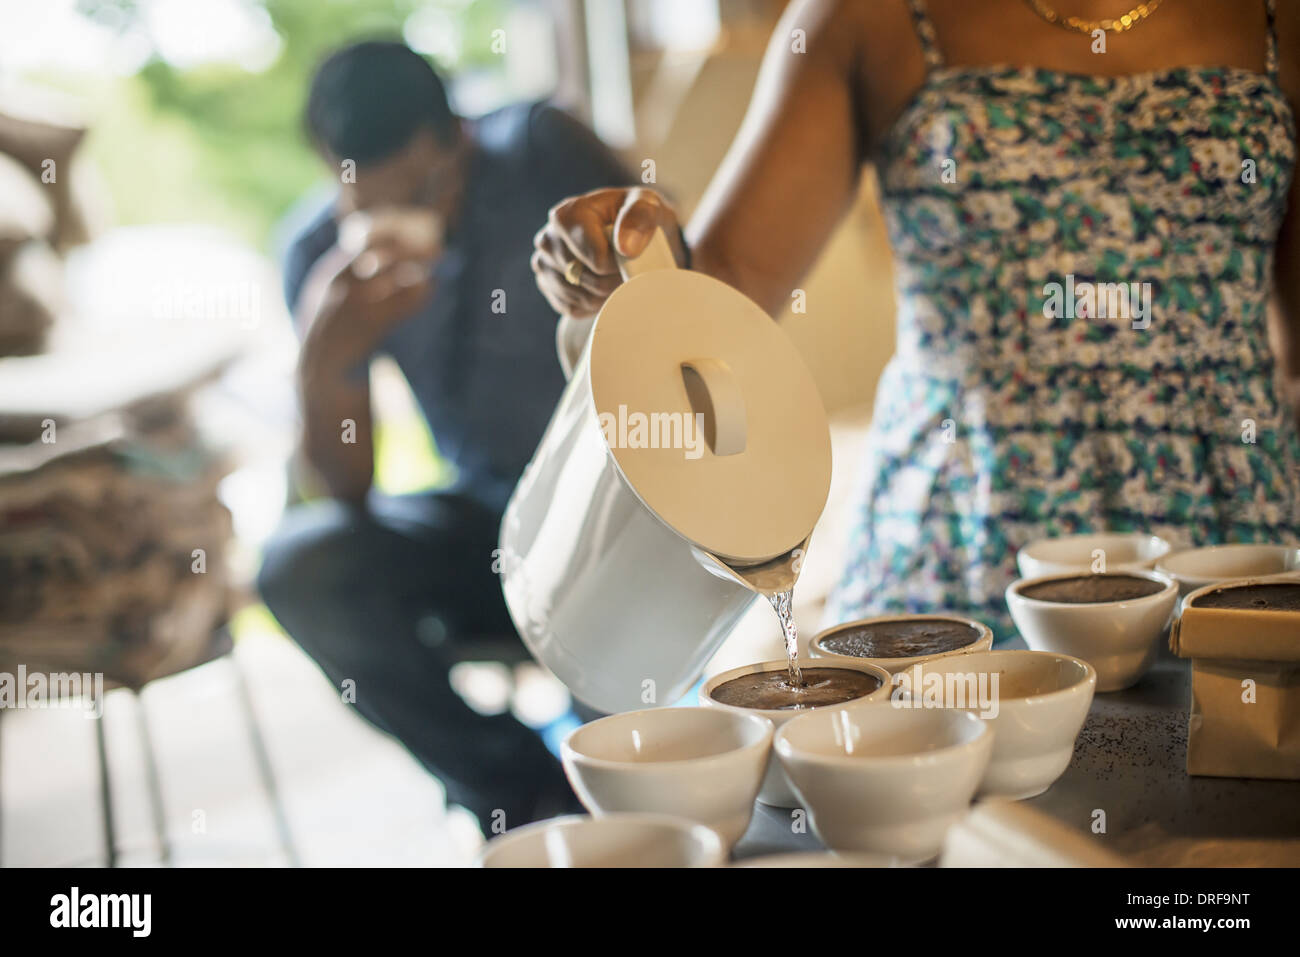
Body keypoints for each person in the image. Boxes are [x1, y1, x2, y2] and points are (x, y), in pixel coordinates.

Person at [530, 0, 1300, 641]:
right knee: (945, 803)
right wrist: (631, 250)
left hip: (1230, 531)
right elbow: (725, 289)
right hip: (962, 532)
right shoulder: (871, 16)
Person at [258, 40, 631, 833]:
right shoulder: (318, 254)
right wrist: (328, 363)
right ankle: (521, 790)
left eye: (423, 187)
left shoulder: (540, 152)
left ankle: (612, 781)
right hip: (489, 521)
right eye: (362, 199)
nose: (402, 216)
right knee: (302, 562)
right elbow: (348, 490)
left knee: (634, 769)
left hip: (620, 509)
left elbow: (680, 287)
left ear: (458, 131)